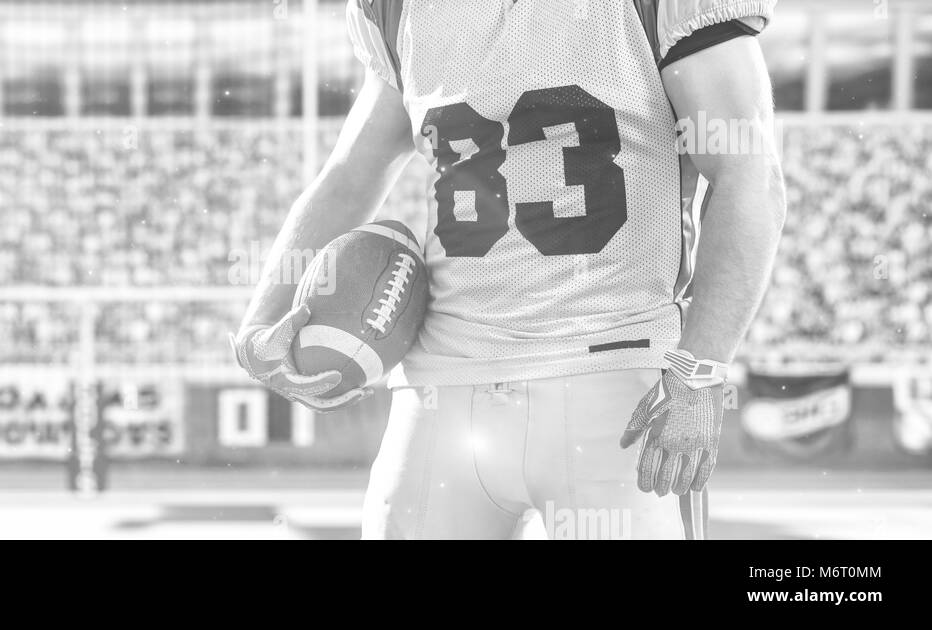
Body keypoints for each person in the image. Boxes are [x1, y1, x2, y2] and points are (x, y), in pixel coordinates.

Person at [232, 0, 786, 539]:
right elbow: (351, 174)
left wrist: (700, 369)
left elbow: (750, 177)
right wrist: (260, 327)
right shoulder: (399, 10)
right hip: (443, 386)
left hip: (616, 379)